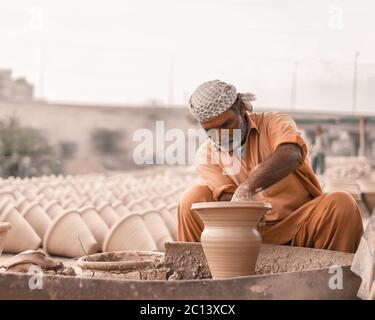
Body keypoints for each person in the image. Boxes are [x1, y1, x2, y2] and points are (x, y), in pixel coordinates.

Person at [178, 79, 363, 253]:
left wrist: (247, 188)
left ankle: (335, 283)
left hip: (299, 225)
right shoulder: (206, 155)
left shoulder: (274, 123)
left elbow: (291, 153)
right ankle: (195, 278)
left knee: (342, 203)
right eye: (210, 130)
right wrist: (239, 206)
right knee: (192, 198)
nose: (220, 135)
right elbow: (227, 202)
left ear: (240, 108)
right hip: (248, 236)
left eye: (226, 124)